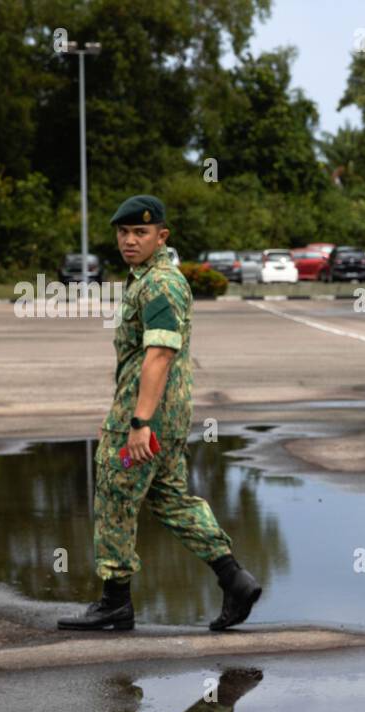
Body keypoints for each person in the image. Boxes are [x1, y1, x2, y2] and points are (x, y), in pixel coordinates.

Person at [58, 194, 262, 632]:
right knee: (170, 498)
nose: (129, 241)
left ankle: (115, 600)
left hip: (147, 420)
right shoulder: (149, 278)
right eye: (124, 232)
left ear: (161, 236)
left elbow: (159, 355)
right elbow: (143, 359)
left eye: (140, 233)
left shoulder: (160, 284)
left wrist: (137, 423)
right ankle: (234, 579)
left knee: (114, 494)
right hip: (161, 419)